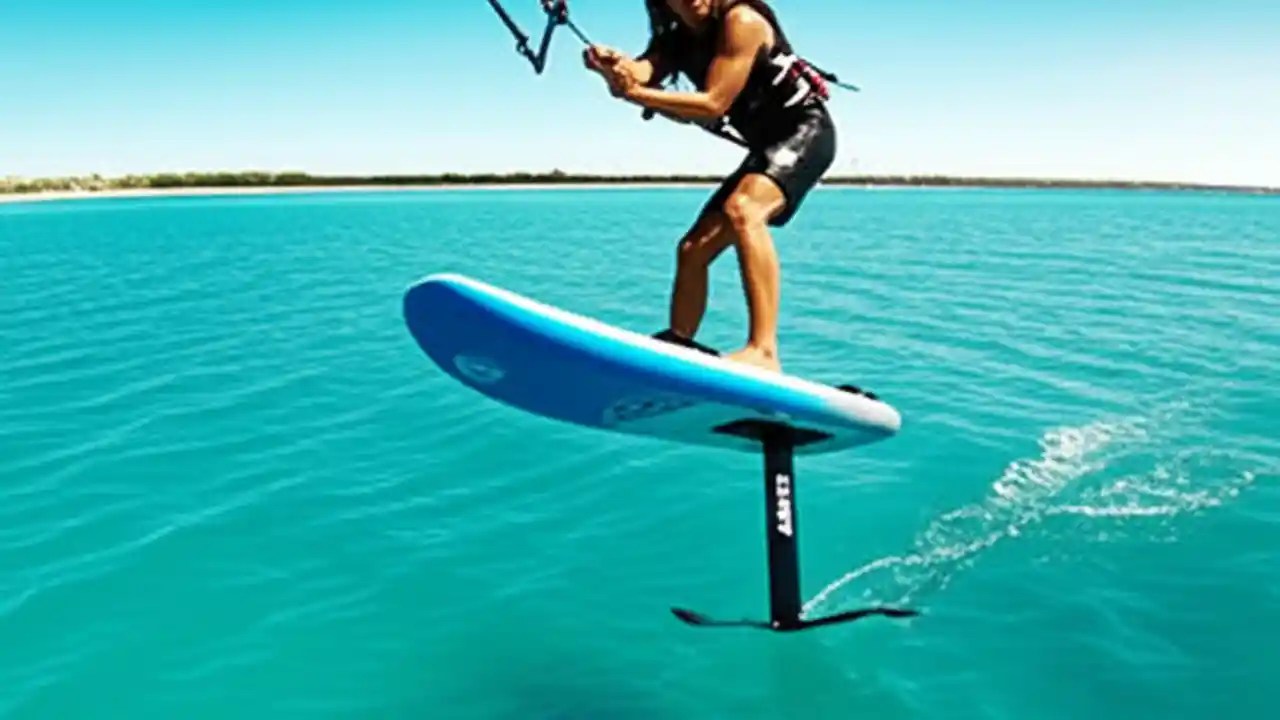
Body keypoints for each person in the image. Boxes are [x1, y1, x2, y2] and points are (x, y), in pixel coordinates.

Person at [583, 0, 838, 373]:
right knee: (692, 250)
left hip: (805, 133)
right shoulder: (675, 39)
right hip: (766, 146)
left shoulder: (742, 20)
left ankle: (763, 351)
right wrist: (613, 68)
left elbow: (714, 103)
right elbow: (639, 73)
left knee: (744, 210)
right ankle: (679, 344)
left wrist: (633, 93)